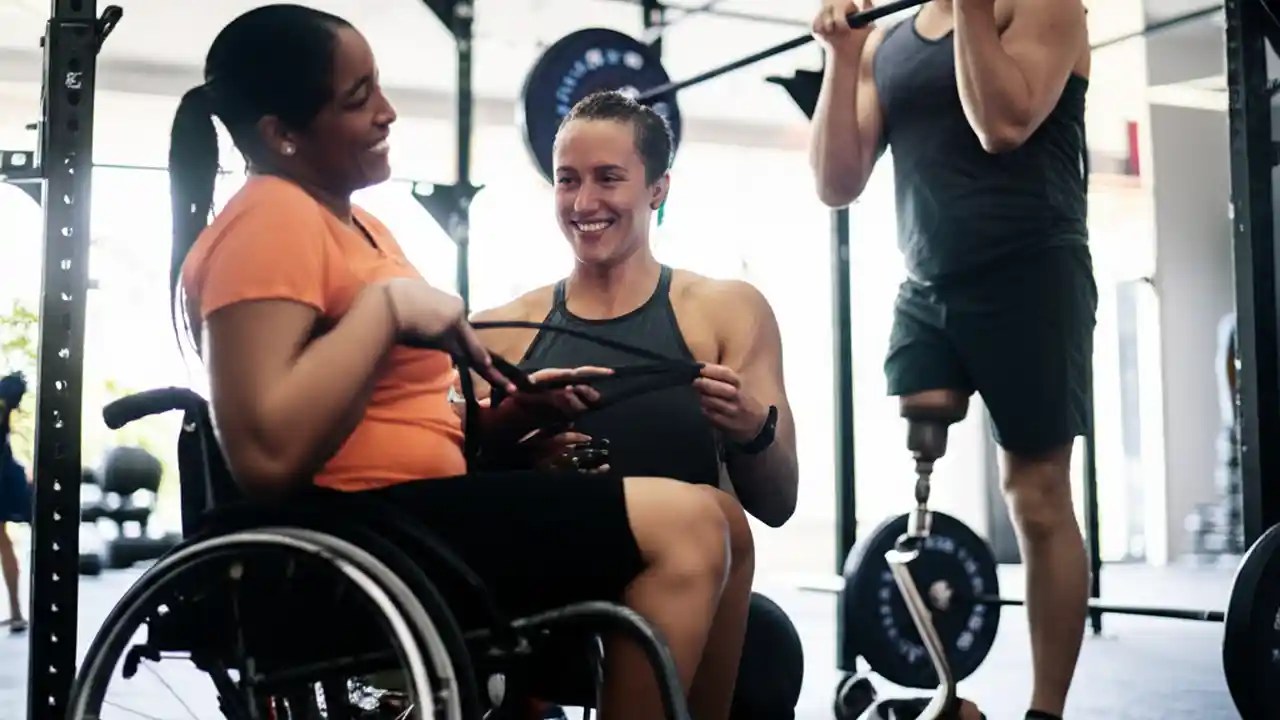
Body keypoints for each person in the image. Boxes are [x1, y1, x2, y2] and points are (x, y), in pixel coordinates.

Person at [167, 6, 752, 720]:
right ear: (282, 135)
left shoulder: (355, 223)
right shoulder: (269, 218)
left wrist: (511, 419)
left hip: (411, 523)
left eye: (377, 87)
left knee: (725, 518)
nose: (386, 113)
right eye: (359, 99)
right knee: (689, 524)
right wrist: (387, 312)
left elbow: (387, 419)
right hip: (360, 544)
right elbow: (265, 457)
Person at [471, 90, 804, 718]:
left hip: (684, 575)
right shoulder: (504, 328)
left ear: (657, 188)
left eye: (608, 178)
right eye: (567, 180)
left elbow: (779, 503)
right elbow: (460, 472)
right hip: (546, 586)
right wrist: (519, 449)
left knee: (766, 636)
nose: (584, 202)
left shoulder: (725, 310)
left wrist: (751, 431)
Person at [809, 1, 1094, 719]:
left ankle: (1045, 710)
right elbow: (836, 183)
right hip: (928, 285)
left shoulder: (1045, 6)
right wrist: (843, 59)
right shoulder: (892, 41)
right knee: (920, 468)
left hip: (1031, 273)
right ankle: (944, 688)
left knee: (1035, 493)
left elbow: (1002, 126)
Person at [0, 371, 29, 634]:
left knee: (3, 541)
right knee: (3, 541)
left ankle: (17, 612)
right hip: (6, 474)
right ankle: (16, 611)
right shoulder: (4, 400)